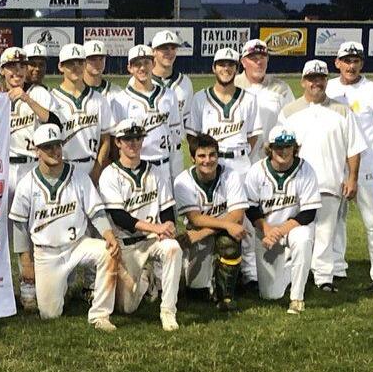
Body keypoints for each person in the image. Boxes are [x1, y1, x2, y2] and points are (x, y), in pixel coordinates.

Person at [9, 124, 120, 331]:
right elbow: (19, 226)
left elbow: (95, 211)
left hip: (78, 244)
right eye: (48, 147)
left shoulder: (78, 176)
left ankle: (100, 315)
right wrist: (26, 263)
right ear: (37, 151)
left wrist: (108, 233)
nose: (55, 151)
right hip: (46, 254)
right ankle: (61, 289)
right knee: (50, 314)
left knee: (109, 252)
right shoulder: (27, 184)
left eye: (58, 145)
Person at [277, 60, 365, 294]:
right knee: (294, 232)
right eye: (311, 78)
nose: (316, 82)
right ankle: (291, 275)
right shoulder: (289, 112)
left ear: (326, 80)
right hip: (296, 184)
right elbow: (280, 149)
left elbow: (354, 148)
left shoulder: (342, 111)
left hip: (329, 181)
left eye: (321, 78)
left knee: (326, 234)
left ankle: (323, 277)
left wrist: (352, 178)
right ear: (303, 81)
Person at [185, 47, 262, 288]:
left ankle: (248, 273)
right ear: (213, 68)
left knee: (246, 219)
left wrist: (238, 155)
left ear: (237, 67)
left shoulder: (249, 98)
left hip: (240, 161)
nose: (226, 69)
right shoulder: (199, 98)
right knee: (211, 212)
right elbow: (193, 138)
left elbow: (252, 136)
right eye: (221, 65)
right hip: (212, 162)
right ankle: (207, 274)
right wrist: (206, 159)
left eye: (230, 65)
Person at [98, 119, 182, 332]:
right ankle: (146, 279)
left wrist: (169, 225)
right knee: (127, 308)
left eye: (137, 138)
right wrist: (157, 228)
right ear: (118, 142)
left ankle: (168, 311)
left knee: (173, 248)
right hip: (127, 244)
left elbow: (167, 207)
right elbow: (119, 217)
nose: (133, 143)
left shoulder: (155, 171)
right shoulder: (110, 174)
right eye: (127, 139)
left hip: (153, 240)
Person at [325, 41, 373, 291]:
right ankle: (335, 268)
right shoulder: (329, 88)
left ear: (362, 63)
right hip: (335, 165)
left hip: (366, 167)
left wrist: (368, 155)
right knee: (335, 218)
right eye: (346, 61)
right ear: (337, 63)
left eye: (355, 61)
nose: (351, 66)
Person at [0, 46, 59, 310]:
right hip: (0, 171)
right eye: (11, 67)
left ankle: (29, 289)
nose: (17, 71)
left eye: (21, 67)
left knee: (30, 231)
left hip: (29, 167)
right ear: (2, 71)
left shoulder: (39, 93)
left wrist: (26, 99)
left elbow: (54, 122)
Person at [244, 127, 320, 314]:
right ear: (270, 148)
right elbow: (251, 210)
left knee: (303, 239)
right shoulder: (257, 170)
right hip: (266, 232)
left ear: (295, 148)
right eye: (278, 146)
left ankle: (297, 298)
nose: (283, 151)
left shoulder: (306, 169)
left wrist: (278, 231)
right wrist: (267, 230)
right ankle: (291, 271)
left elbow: (308, 213)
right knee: (270, 295)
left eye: (288, 146)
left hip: (293, 228)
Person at [173, 134, 250, 311]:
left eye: (212, 155)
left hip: (204, 232)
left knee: (229, 242)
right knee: (197, 293)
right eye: (201, 156)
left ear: (218, 155)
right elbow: (196, 218)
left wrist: (203, 233)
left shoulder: (231, 175)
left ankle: (226, 295)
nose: (207, 160)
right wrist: (227, 224)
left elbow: (237, 215)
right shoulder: (182, 181)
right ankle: (201, 282)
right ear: (192, 158)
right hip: (197, 229)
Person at [110, 44, 181, 179]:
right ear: (130, 68)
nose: (142, 68)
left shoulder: (169, 95)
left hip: (165, 164)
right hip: (137, 167)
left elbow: (175, 136)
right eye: (137, 64)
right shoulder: (120, 100)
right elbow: (117, 143)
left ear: (153, 64)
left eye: (146, 63)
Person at [51, 43, 113, 182]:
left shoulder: (99, 99)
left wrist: (97, 171)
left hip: (91, 165)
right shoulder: (52, 99)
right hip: (62, 167)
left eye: (80, 62)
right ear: (60, 66)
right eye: (70, 63)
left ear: (85, 65)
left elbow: (106, 140)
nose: (76, 67)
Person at [236, 39, 295, 161]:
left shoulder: (281, 88)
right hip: (237, 161)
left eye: (263, 57)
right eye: (253, 58)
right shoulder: (233, 86)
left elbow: (292, 124)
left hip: (270, 160)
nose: (259, 62)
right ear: (243, 62)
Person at [150, 30, 192, 179]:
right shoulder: (141, 82)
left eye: (173, 48)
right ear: (154, 52)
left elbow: (187, 122)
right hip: (150, 153)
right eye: (164, 48)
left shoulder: (185, 83)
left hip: (176, 152)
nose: (169, 52)